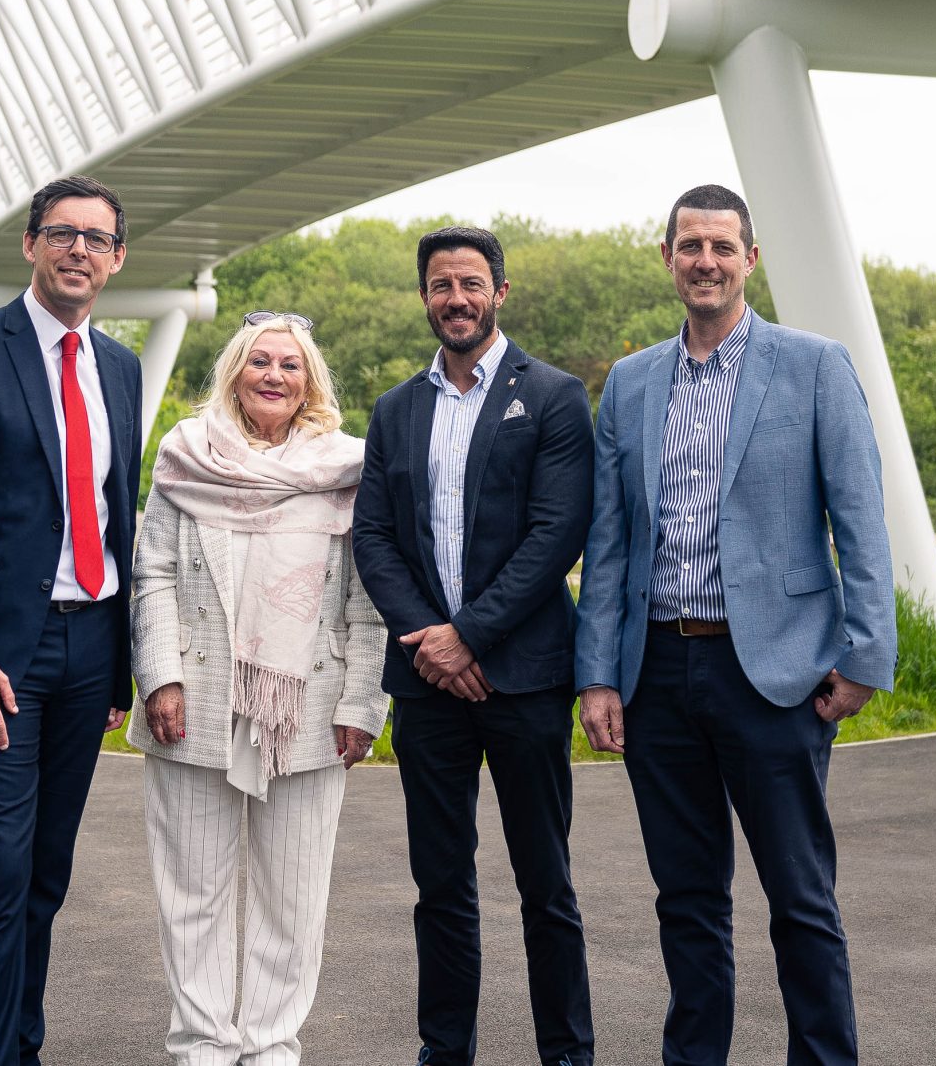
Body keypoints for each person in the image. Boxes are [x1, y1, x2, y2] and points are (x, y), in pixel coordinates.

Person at [575, 184, 897, 1066]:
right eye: (690, 246)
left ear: (750, 258)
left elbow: (861, 521)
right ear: (668, 258)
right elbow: (610, 543)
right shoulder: (633, 382)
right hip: (658, 679)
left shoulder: (815, 365)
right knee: (685, 900)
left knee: (799, 899)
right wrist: (597, 672)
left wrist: (866, 655)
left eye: (722, 246)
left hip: (777, 674)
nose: (705, 261)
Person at [0, 174, 143, 1066]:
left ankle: (22, 1048)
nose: (77, 249)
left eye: (95, 237)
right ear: (30, 244)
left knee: (45, 873)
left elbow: (117, 511)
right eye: (61, 233)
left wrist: (120, 663)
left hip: (90, 645)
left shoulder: (118, 365)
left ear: (118, 258)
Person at [353, 226, 597, 1066]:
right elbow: (374, 537)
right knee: (441, 884)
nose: (455, 297)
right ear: (425, 296)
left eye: (470, 283)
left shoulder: (556, 396)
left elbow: (556, 532)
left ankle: (566, 1051)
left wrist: (470, 635)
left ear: (500, 291)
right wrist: (433, 642)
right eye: (439, 284)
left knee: (545, 883)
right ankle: (443, 1047)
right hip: (427, 685)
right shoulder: (395, 408)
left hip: (524, 680)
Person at [127, 311, 391, 1066]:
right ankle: (203, 1046)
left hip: (306, 705)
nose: (274, 375)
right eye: (259, 362)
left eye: (290, 364)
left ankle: (271, 1046)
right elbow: (152, 575)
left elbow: (367, 598)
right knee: (192, 893)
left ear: (310, 381)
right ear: (235, 372)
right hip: (195, 699)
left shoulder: (345, 468)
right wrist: (160, 678)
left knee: (294, 896)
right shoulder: (185, 455)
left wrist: (361, 703)